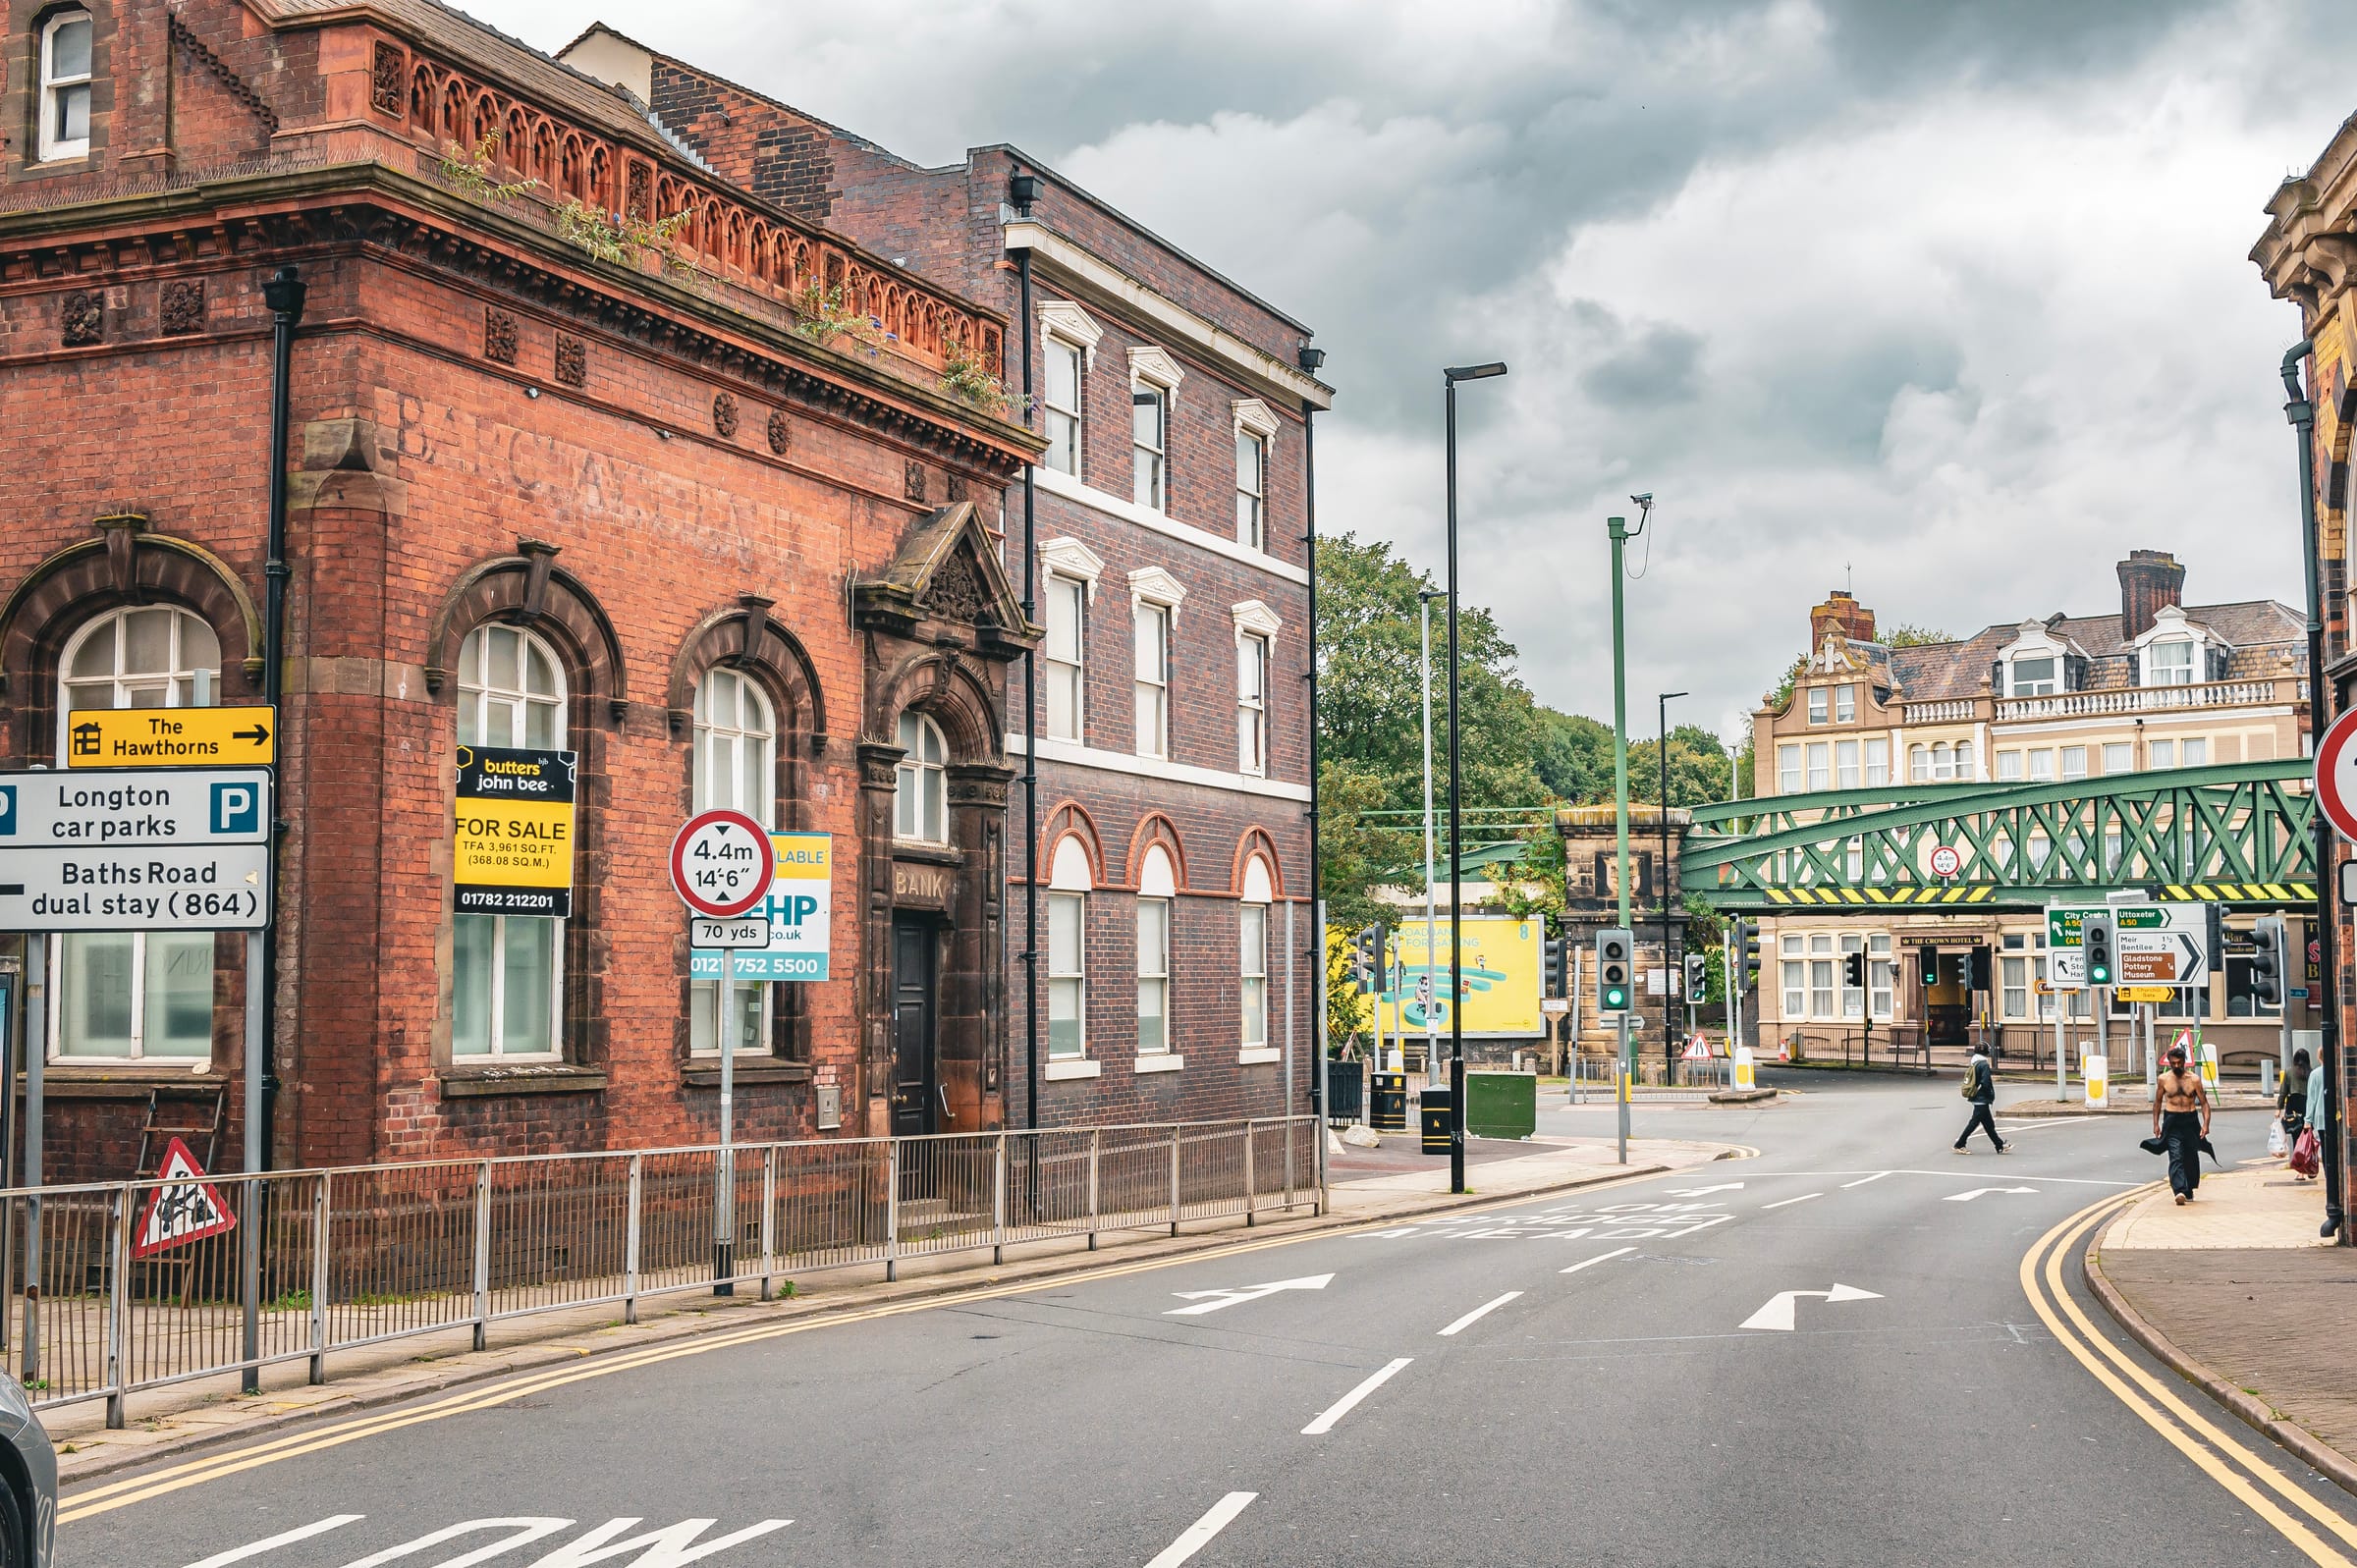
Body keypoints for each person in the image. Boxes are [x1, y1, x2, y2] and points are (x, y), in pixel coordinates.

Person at [2155, 1042, 2212, 1204]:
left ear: (2184, 1061)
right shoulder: (2163, 1079)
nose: (2177, 1066)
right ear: (2169, 1062)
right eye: (2173, 1063)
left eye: (2179, 1063)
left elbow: (2205, 1103)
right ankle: (2179, 1190)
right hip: (2172, 1120)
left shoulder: (2194, 1079)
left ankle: (2188, 1189)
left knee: (2190, 1156)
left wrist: (2206, 1124)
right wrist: (2156, 1124)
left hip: (2190, 1119)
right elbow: (2158, 1102)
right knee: (2176, 1155)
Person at [1954, 1046, 2006, 1154]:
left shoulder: (1975, 1062)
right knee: (1974, 1122)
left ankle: (1999, 1145)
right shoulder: (1984, 1064)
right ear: (1986, 1052)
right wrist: (1989, 1095)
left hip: (1976, 1095)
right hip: (1981, 1097)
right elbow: (1985, 1082)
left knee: (1988, 1124)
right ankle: (1959, 1144)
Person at [2280, 1048, 2313, 1161]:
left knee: (2296, 1138)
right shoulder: (2311, 1073)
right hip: (2307, 1106)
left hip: (2293, 1107)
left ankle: (2300, 1169)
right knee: (2308, 1137)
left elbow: (2283, 1091)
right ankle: (2309, 1163)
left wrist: (2278, 1108)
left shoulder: (2289, 1072)